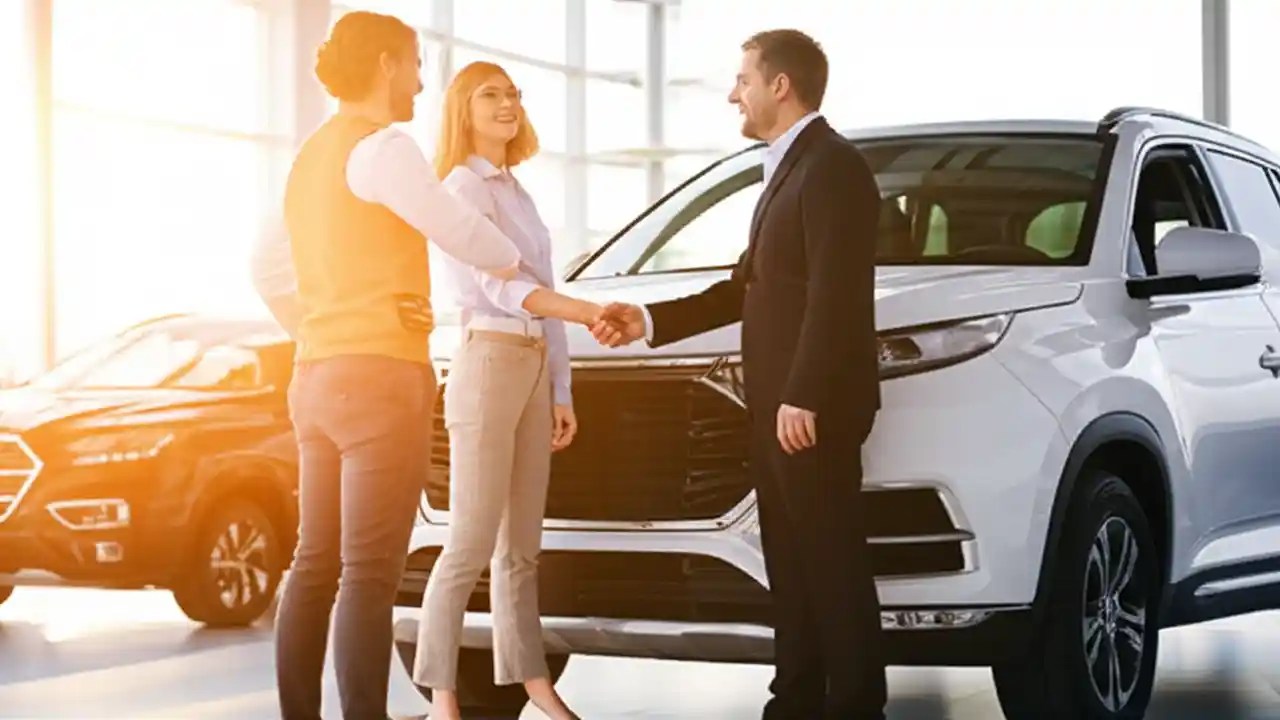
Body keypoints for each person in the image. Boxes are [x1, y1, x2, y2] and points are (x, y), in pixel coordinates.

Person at [250, 11, 546, 720]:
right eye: (415, 64)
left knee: (314, 563)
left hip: (316, 376)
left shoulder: (309, 155)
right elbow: (462, 231)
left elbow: (265, 265)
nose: (419, 80)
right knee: (369, 573)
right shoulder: (386, 147)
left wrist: (323, 324)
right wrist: (520, 264)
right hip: (380, 381)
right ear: (386, 64)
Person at [591, 29, 887, 720]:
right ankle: (796, 701)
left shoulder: (833, 167)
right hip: (777, 405)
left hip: (807, 405)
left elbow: (835, 294)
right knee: (792, 565)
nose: (734, 93)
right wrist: (647, 320)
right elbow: (743, 290)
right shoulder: (787, 169)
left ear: (780, 86)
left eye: (743, 80)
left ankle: (854, 707)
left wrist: (803, 395)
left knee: (831, 562)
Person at [411, 61, 593, 720]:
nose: (507, 103)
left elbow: (542, 296)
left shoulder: (517, 191)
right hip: (487, 362)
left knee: (522, 546)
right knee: (469, 541)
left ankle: (533, 683)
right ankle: (442, 696)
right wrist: (581, 310)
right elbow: (502, 286)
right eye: (491, 94)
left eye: (513, 93)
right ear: (463, 108)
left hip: (532, 365)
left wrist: (561, 389)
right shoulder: (460, 188)